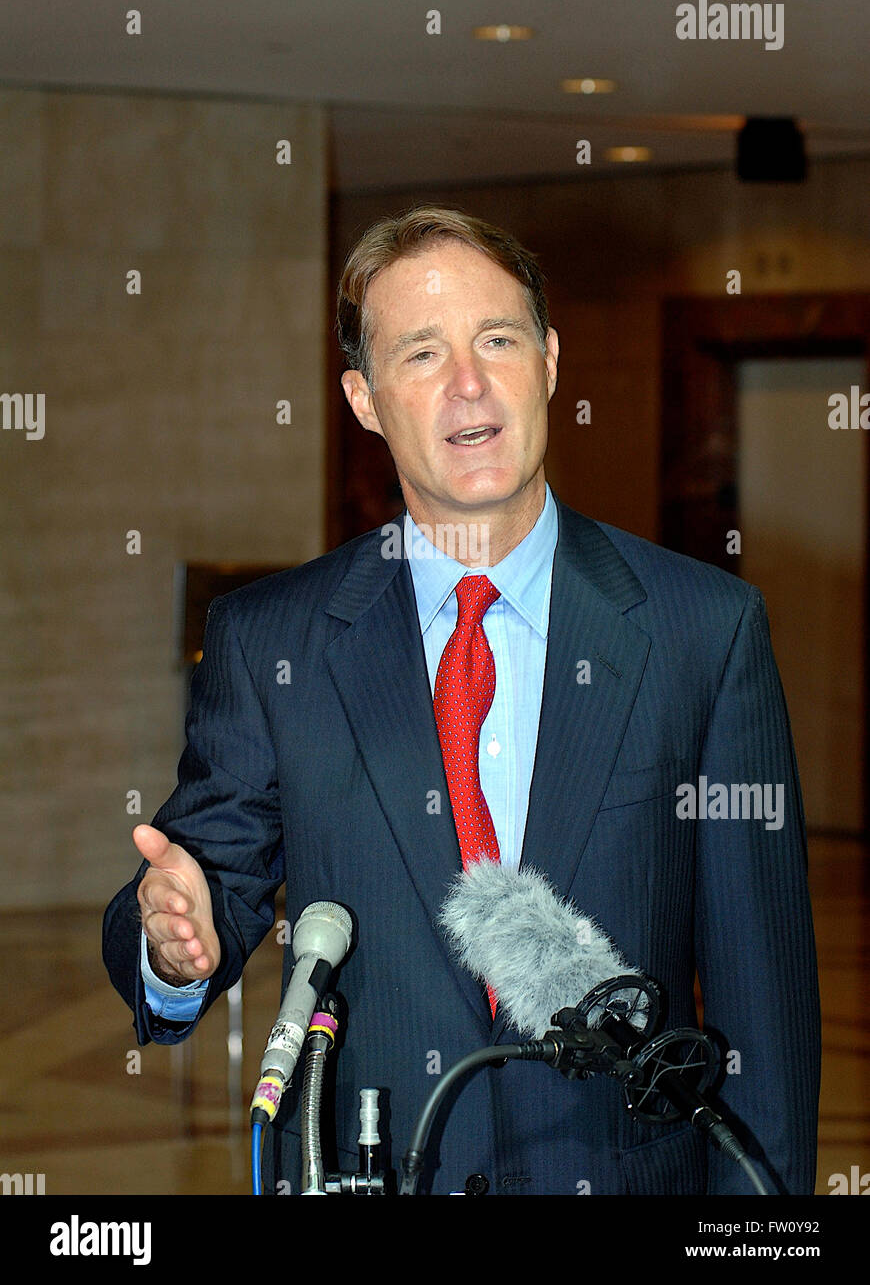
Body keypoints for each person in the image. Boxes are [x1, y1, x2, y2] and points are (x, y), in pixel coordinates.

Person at [103, 206, 821, 1196]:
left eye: (496, 339)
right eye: (422, 353)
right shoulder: (273, 641)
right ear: (363, 398)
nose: (469, 383)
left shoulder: (705, 629)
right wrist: (172, 946)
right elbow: (203, 890)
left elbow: (765, 1009)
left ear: (550, 360)